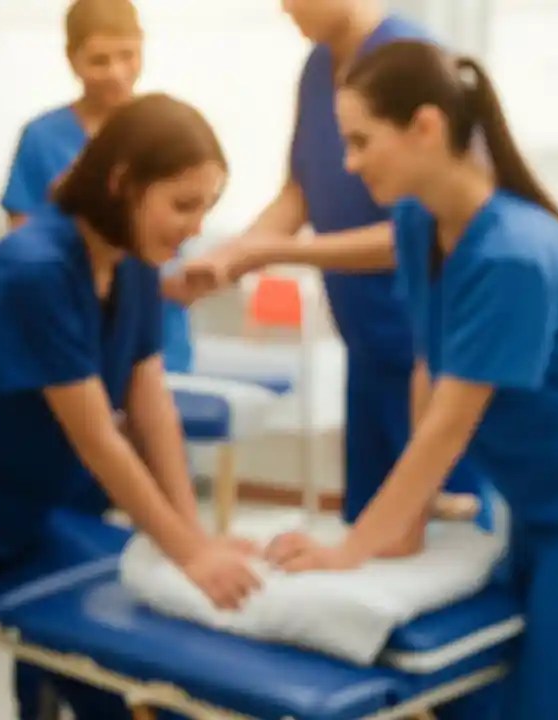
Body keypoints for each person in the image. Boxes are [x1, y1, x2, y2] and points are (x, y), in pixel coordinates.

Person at [0, 93, 262, 720]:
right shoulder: (35, 271)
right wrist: (191, 555)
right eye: (183, 205)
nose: (196, 228)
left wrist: (193, 537)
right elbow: (98, 439)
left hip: (20, 519)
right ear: (122, 183)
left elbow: (151, 406)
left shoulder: (134, 263)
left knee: (126, 682)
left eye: (208, 208)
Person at [262, 39, 558, 719]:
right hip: (540, 506)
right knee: (480, 694)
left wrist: (351, 548)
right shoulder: (416, 224)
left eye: (361, 141)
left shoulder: (515, 254)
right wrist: (399, 529)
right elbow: (427, 370)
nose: (348, 163)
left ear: (426, 128)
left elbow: (448, 429)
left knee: (548, 697)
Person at [184, 0, 490, 543]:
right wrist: (231, 254)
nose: (284, 9)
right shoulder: (316, 69)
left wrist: (270, 254)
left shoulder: (411, 64)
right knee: (370, 529)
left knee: (446, 540)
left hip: (426, 350)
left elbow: (420, 233)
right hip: (367, 348)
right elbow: (300, 190)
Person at [0, 0, 195, 378]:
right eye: (99, 60)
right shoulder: (42, 138)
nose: (116, 73)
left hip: (157, 329)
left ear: (143, 46)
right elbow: (21, 250)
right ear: (72, 59)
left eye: (127, 55)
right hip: (73, 329)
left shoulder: (168, 131)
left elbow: (181, 232)